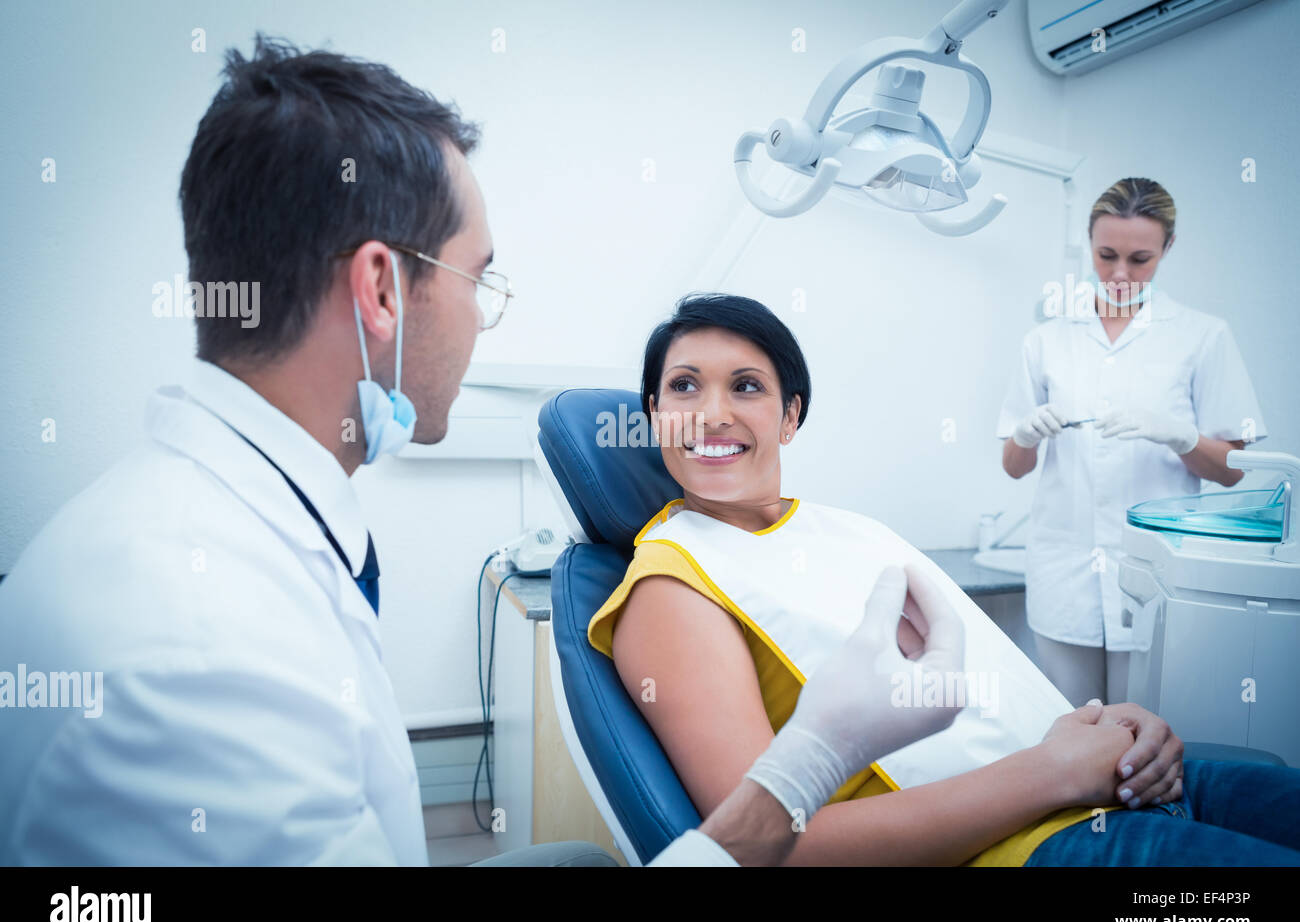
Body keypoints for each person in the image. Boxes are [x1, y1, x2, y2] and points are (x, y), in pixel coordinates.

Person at [0, 35, 959, 868]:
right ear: (381, 289)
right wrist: (808, 763)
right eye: (478, 278)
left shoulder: (230, 522)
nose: (482, 319)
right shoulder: (208, 651)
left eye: (748, 387)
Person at [588, 292, 1300, 866]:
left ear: (790, 418)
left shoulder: (848, 530)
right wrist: (1061, 772)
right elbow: (764, 849)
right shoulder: (671, 588)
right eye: (684, 388)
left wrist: (1111, 729)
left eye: (746, 386)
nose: (713, 413)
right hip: (1035, 842)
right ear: (654, 418)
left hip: (1113, 781)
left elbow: (995, 695)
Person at [997, 177, 1268, 707]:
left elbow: (1232, 469)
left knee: (1140, 741)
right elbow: (1013, 465)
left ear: (1167, 248)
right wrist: (1026, 433)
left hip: (1154, 573)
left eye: (1140, 259)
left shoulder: (1202, 336)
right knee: (1067, 731)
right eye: (1106, 255)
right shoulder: (1048, 338)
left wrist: (1181, 435)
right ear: (1090, 245)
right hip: (1063, 570)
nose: (1120, 274)